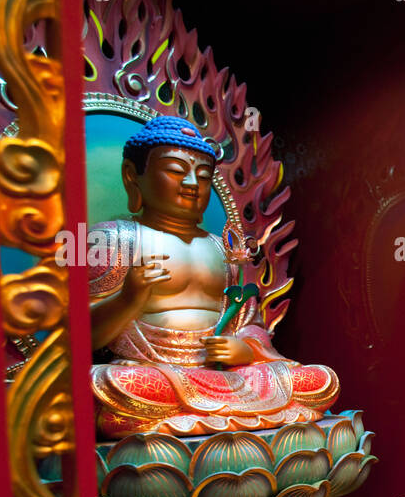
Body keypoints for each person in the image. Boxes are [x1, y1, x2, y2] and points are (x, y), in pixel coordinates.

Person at [88, 115, 339, 438]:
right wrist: (128, 299)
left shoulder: (224, 249)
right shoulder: (113, 240)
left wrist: (246, 350)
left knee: (320, 380)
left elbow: (247, 322)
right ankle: (238, 417)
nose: (192, 183)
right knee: (102, 385)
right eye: (176, 171)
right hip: (153, 376)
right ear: (132, 177)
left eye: (203, 176)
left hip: (222, 377)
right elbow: (80, 338)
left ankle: (196, 419)